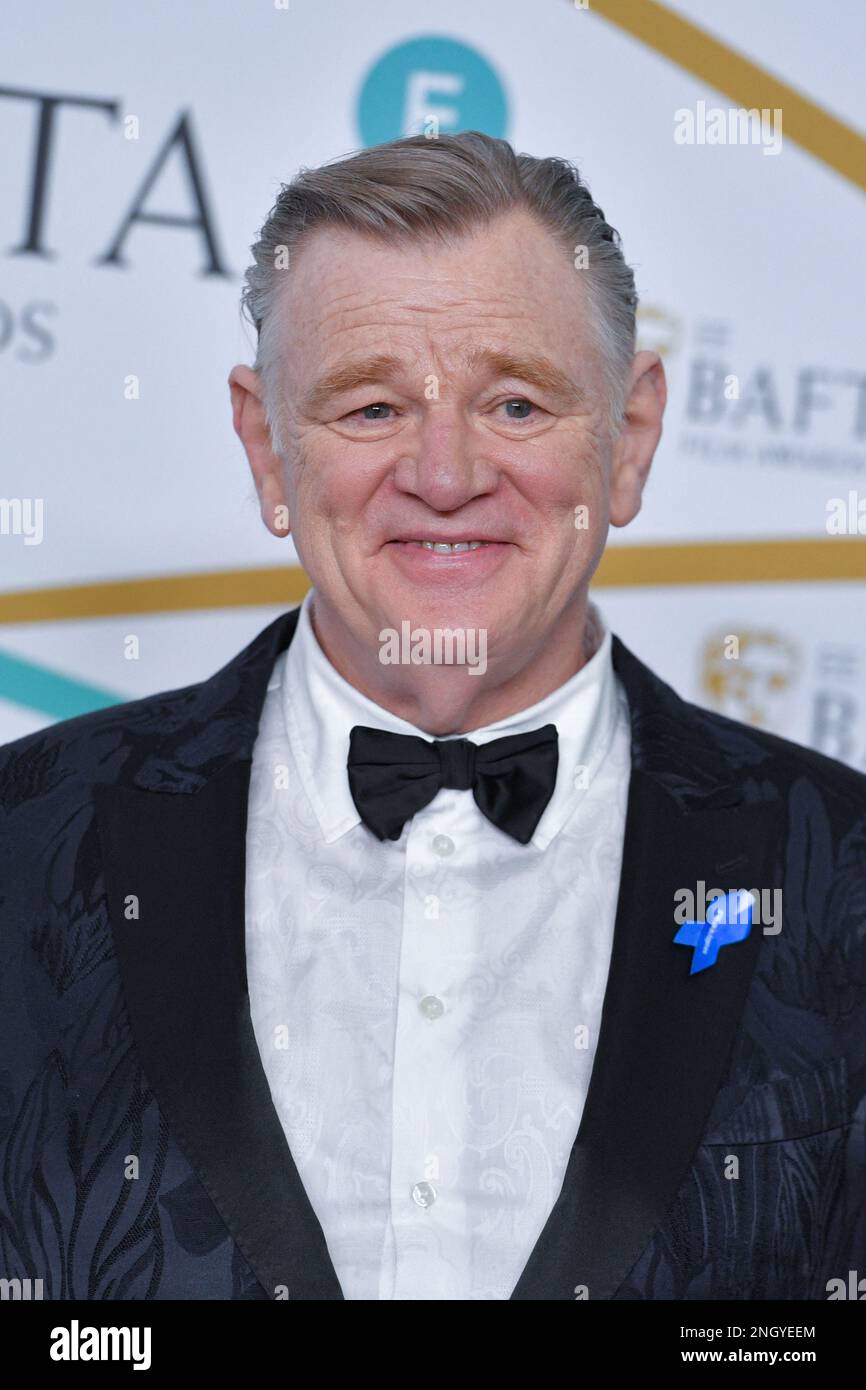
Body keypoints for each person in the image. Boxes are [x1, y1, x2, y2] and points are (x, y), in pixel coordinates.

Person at [1, 132, 863, 1301]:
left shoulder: (843, 870)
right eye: (368, 407)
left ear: (631, 437)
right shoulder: (21, 844)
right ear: (266, 446)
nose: (445, 473)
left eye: (515, 402)